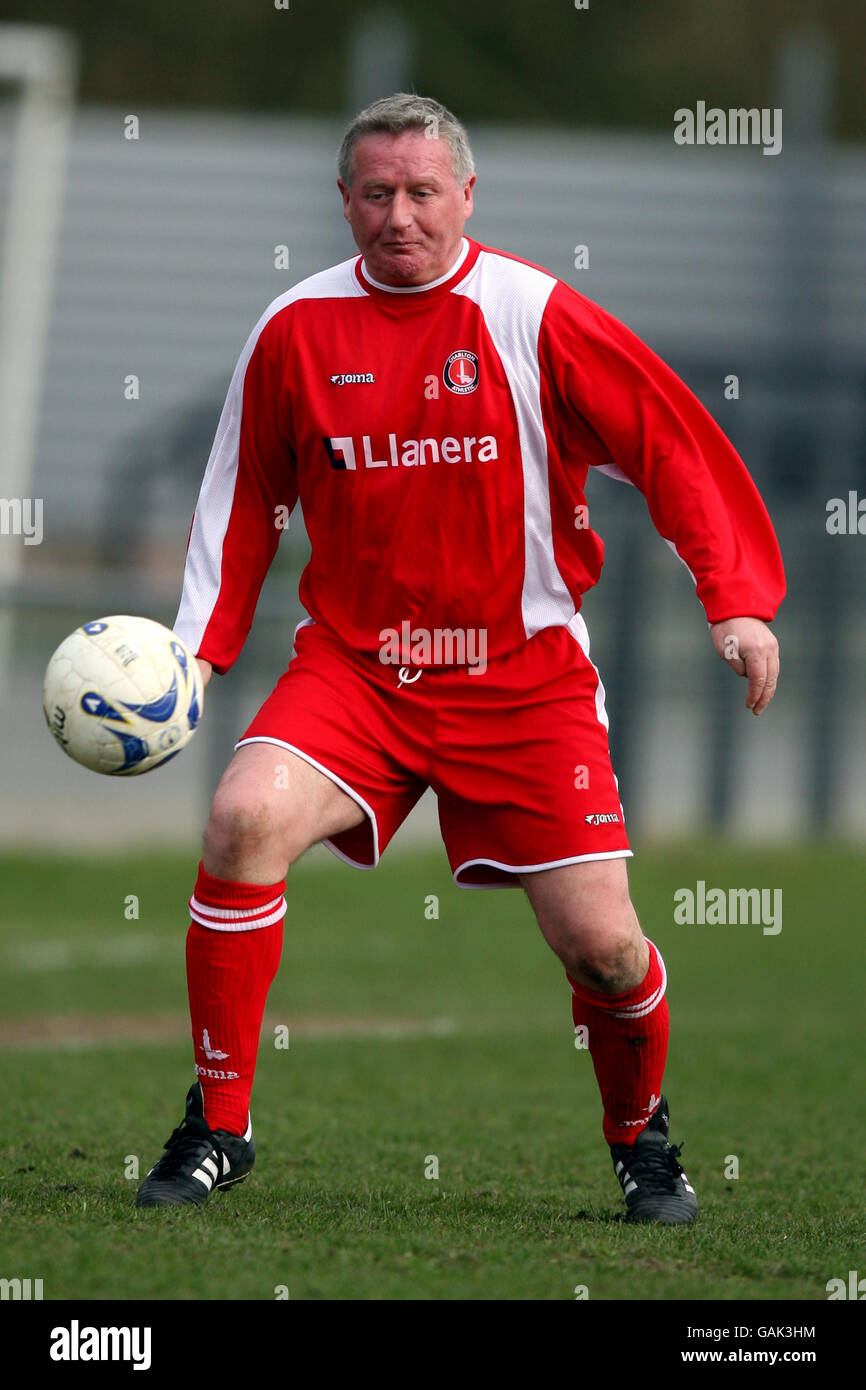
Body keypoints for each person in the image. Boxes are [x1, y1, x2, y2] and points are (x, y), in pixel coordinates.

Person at [136, 93, 784, 1223]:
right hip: (357, 672)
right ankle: (220, 1123)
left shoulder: (530, 312)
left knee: (602, 949)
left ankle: (640, 1138)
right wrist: (194, 656)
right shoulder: (293, 329)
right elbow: (241, 500)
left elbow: (666, 438)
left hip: (522, 679)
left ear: (465, 196)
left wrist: (734, 596)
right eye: (376, 193)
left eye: (422, 191)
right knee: (243, 818)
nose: (398, 215)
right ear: (342, 201)